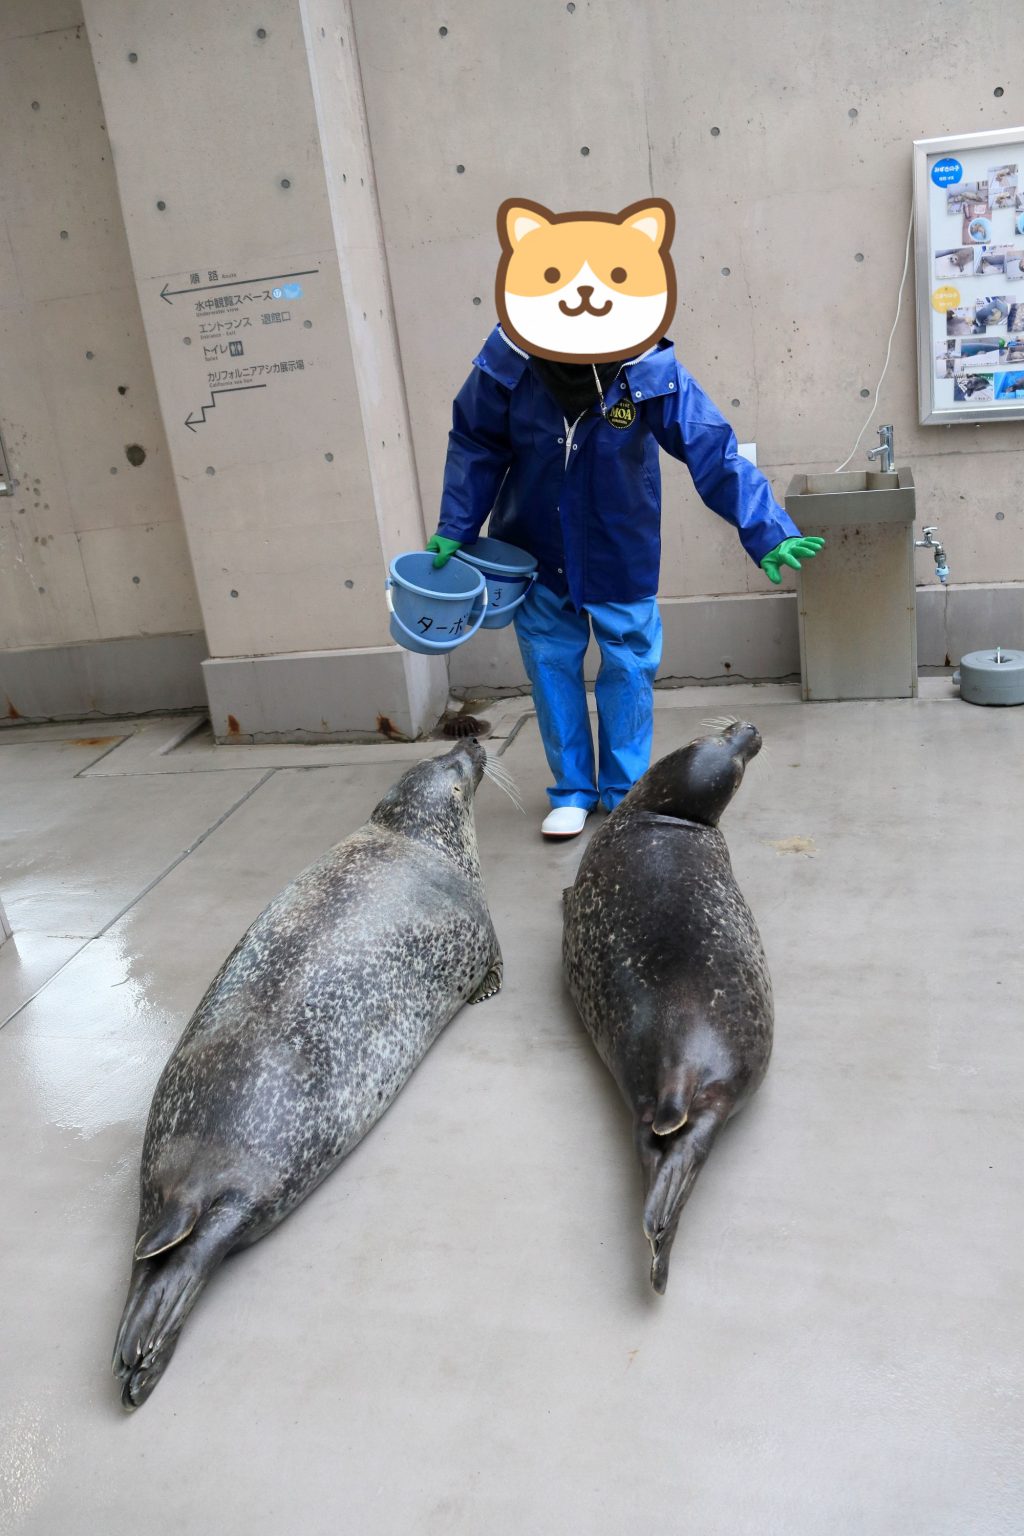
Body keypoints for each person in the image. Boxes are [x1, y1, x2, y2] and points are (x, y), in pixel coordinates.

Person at [428, 324, 823, 837]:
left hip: (620, 548)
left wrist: (766, 527)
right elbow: (475, 443)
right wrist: (455, 525)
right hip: (537, 547)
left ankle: (623, 791)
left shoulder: (647, 366)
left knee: (629, 667)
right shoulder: (510, 359)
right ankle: (571, 791)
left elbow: (712, 447)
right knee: (551, 668)